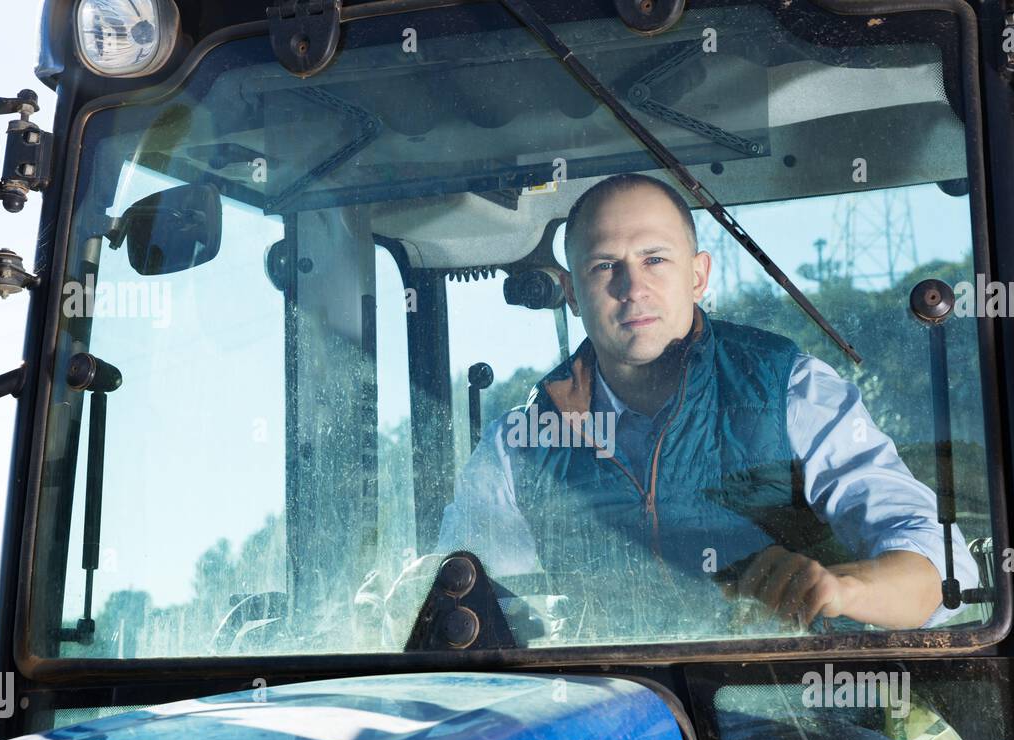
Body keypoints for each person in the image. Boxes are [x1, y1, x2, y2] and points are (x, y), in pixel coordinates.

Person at [402, 173, 981, 638]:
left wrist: (842, 588)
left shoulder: (790, 391)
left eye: (656, 259)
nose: (633, 287)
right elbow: (468, 597)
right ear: (573, 294)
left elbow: (939, 563)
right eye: (605, 266)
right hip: (597, 719)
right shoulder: (517, 446)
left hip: (797, 716)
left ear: (698, 275)